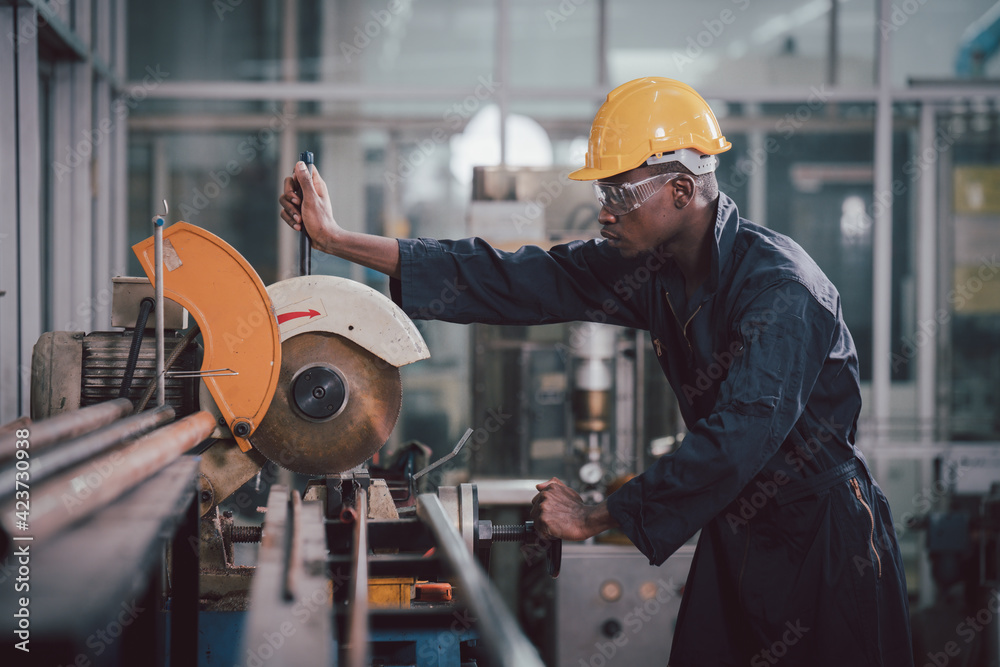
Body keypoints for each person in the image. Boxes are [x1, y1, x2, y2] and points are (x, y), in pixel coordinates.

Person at [279, 77, 913, 666]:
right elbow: (518, 278)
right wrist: (339, 242)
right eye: (602, 193)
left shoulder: (779, 290)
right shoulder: (658, 270)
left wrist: (596, 514)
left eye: (619, 193)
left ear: (683, 191)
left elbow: (735, 441)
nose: (605, 212)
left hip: (824, 545)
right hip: (741, 533)